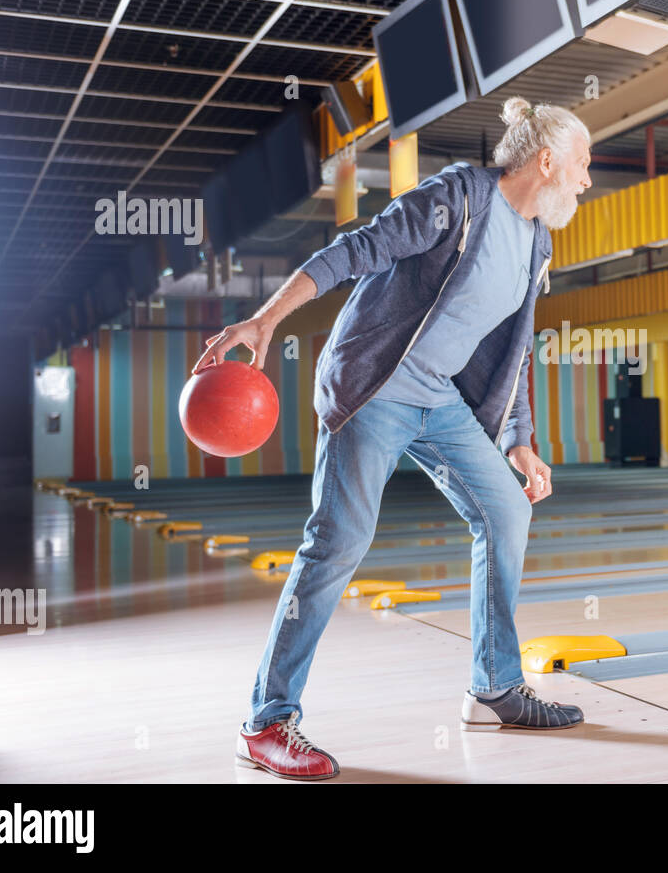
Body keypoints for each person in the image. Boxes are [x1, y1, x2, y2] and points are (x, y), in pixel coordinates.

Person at [193, 97, 593, 780]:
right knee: (338, 542)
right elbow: (354, 249)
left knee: (506, 508)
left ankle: (493, 686)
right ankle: (265, 721)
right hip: (374, 386)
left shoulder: (537, 241)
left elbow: (514, 344)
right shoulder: (457, 200)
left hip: (438, 399)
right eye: (583, 165)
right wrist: (263, 321)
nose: (587, 181)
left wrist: (521, 438)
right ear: (547, 160)